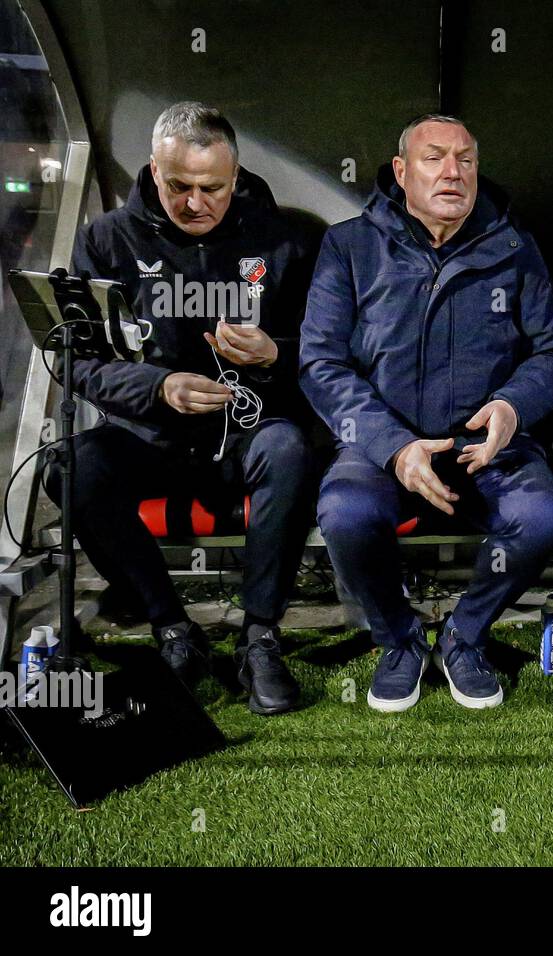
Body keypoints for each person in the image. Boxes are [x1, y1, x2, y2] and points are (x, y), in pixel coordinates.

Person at [301, 114, 553, 713]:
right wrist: (394, 446)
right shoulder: (348, 246)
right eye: (434, 157)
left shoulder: (515, 247)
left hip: (487, 448)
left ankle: (464, 637)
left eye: (467, 160)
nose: (453, 171)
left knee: (542, 514)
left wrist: (511, 406)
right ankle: (400, 641)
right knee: (345, 514)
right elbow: (319, 363)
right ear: (401, 171)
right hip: (382, 447)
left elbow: (551, 353)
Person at [57, 101, 316, 714]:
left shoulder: (284, 239)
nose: (196, 202)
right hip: (152, 436)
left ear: (235, 176)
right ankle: (172, 627)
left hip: (249, 430)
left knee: (290, 447)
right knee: (71, 465)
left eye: (213, 188)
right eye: (179, 186)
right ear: (152, 169)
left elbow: (331, 352)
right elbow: (81, 363)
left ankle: (260, 637)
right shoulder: (104, 240)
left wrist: (275, 353)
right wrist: (157, 387)